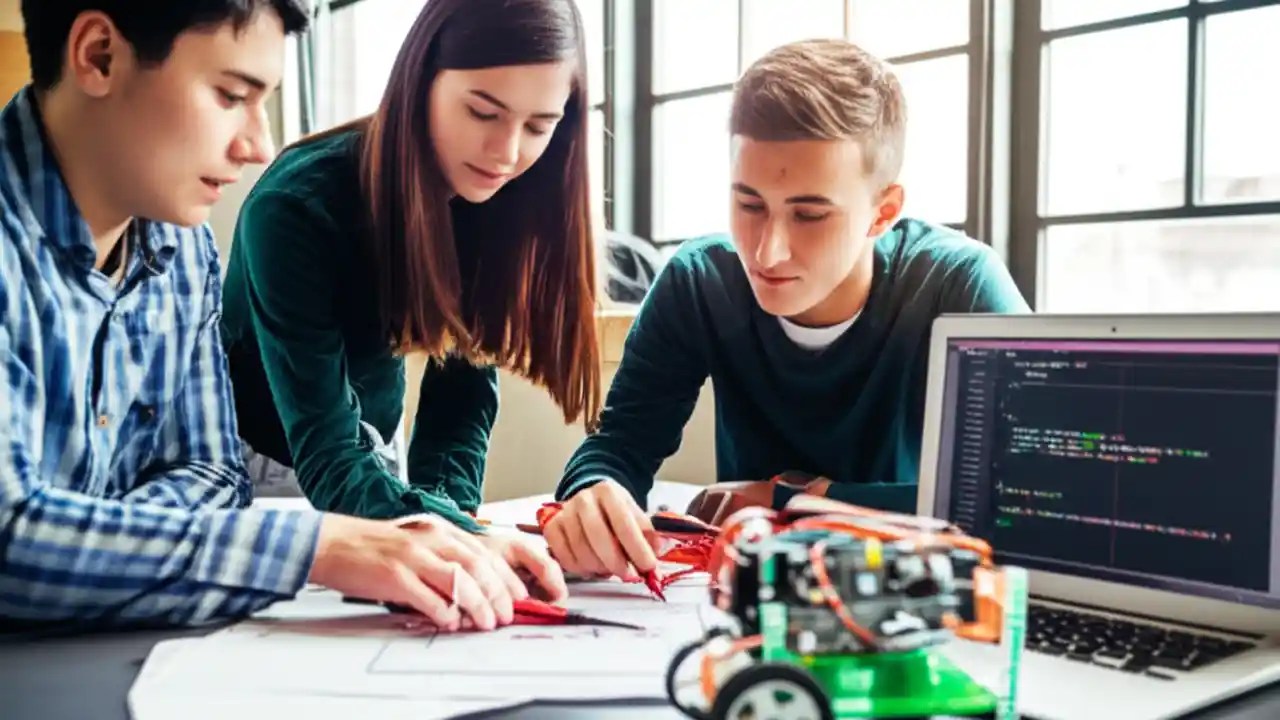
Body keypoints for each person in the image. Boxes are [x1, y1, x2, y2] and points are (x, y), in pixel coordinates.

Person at [0, 0, 561, 632]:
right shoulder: (293, 204)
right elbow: (10, 538)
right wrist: (316, 548)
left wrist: (89, 542)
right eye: (230, 94)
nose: (258, 145)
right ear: (99, 55)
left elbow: (212, 476)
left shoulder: (181, 246)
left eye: (541, 125)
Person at [543, 39, 1030, 581]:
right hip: (749, 595)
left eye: (810, 215)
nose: (767, 251)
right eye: (749, 204)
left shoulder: (958, 284)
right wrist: (594, 492)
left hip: (916, 589)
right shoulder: (700, 279)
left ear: (882, 212)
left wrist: (796, 498)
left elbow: (1027, 494)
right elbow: (619, 444)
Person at [220, 0, 600, 533]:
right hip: (251, 467)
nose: (507, 153)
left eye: (539, 126)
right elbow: (327, 453)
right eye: (483, 112)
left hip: (369, 460)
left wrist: (452, 516)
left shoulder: (490, 197)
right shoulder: (294, 206)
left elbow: (461, 403)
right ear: (420, 79)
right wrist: (459, 536)